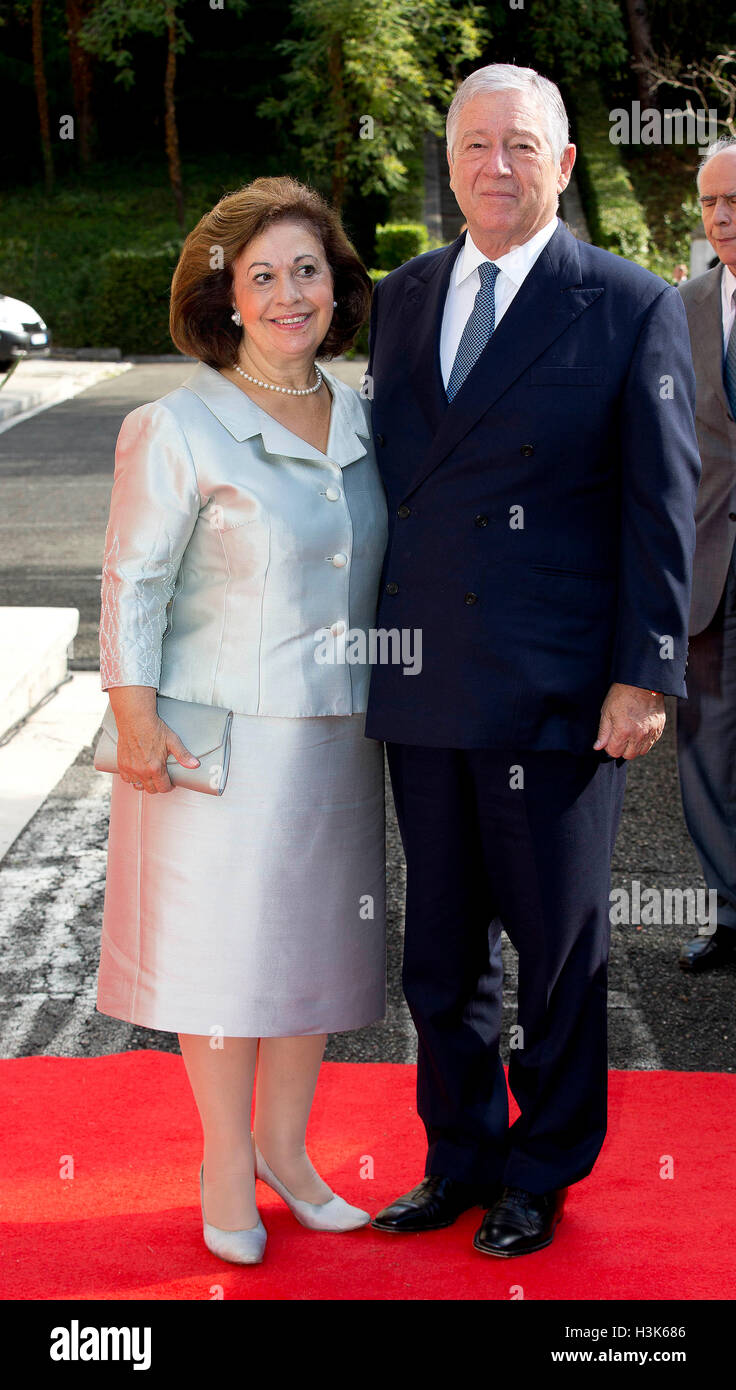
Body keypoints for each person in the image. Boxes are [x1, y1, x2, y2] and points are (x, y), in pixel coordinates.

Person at [363, 63, 701, 1257]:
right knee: (441, 949)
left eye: (519, 145)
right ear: (445, 161)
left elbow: (663, 501)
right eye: (471, 144)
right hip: (427, 680)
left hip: (560, 688)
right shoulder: (402, 296)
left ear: (562, 164)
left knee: (556, 952)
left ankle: (541, 1168)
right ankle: (457, 1156)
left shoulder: (624, 302)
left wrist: (644, 669)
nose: (492, 165)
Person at [95, 176, 388, 1263]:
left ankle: (286, 1147)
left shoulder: (367, 413)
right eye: (259, 275)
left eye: (304, 269)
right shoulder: (174, 425)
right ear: (223, 297)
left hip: (336, 731)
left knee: (309, 954)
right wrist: (131, 716)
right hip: (209, 741)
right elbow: (132, 581)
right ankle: (224, 1156)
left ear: (335, 283)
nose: (285, 292)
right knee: (221, 962)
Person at [676, 137, 736, 973]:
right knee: (708, 754)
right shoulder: (678, 308)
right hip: (706, 573)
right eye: (711, 204)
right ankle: (731, 914)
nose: (723, 217)